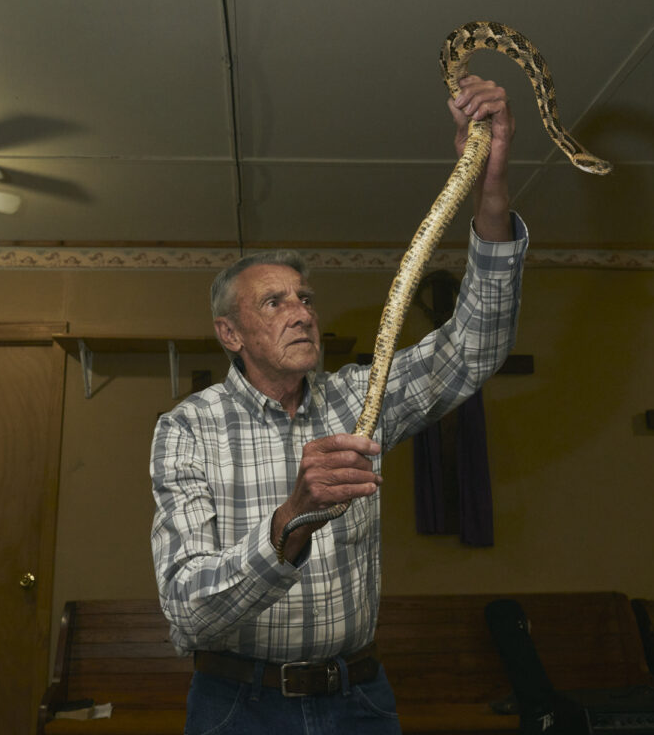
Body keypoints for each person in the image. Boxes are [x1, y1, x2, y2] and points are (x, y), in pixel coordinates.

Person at [150, 75, 529, 734]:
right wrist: (292, 518)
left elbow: (475, 348)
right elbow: (187, 613)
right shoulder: (188, 428)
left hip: (358, 698)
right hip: (238, 706)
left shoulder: (361, 397)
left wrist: (490, 193)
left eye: (305, 299)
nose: (301, 313)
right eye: (274, 302)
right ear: (231, 334)